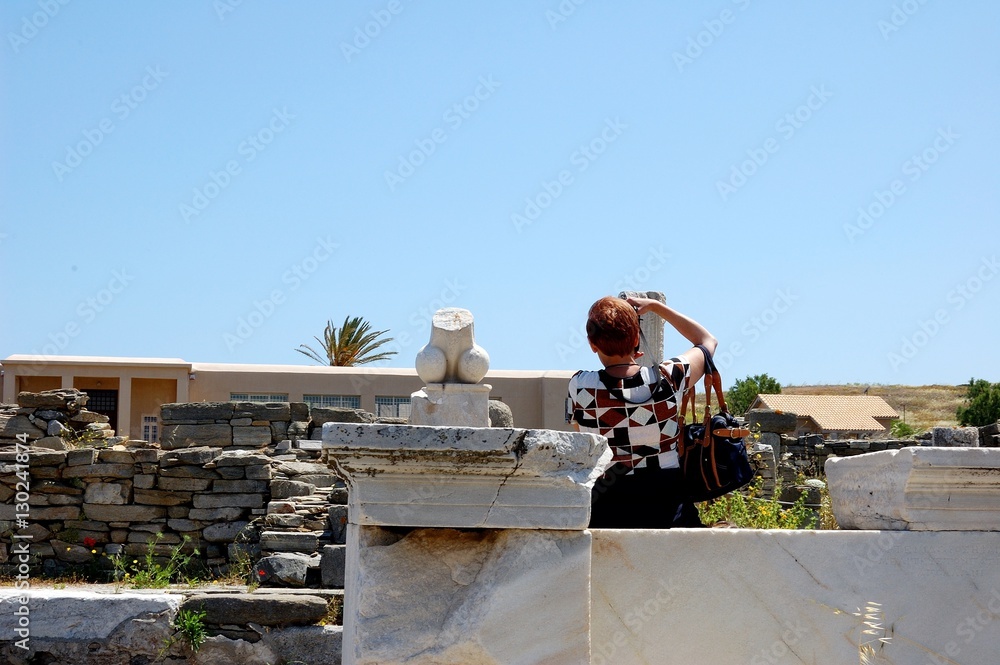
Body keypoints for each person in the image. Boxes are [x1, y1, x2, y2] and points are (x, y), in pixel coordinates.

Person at [567, 295, 717, 528]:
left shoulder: (580, 386)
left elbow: (583, 436)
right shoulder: (669, 377)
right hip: (667, 506)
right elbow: (707, 341)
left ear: (592, 344)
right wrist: (656, 307)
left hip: (607, 507)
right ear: (636, 338)